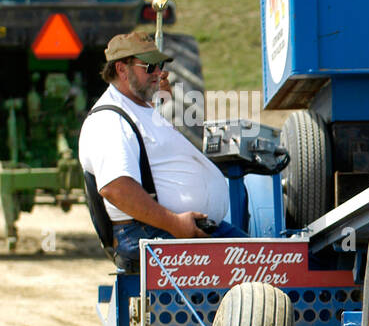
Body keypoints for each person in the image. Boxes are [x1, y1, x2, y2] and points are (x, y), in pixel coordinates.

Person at [78, 32, 247, 270]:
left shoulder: (138, 109)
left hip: (177, 230)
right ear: (122, 69)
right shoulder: (108, 120)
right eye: (149, 67)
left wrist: (154, 94)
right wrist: (175, 223)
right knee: (280, 271)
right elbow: (116, 188)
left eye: (160, 65)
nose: (159, 72)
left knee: (284, 265)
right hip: (154, 234)